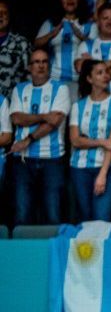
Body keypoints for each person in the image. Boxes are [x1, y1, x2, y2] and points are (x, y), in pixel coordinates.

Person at [8, 47, 71, 225]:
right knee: (22, 213)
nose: (41, 65)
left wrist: (28, 139)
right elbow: (16, 118)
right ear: (29, 67)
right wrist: (44, 116)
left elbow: (55, 121)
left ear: (49, 66)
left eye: (44, 62)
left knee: (52, 213)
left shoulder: (60, 89)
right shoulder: (20, 89)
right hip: (23, 160)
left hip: (52, 158)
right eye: (36, 62)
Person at [69, 59, 111, 223]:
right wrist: (102, 142)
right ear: (89, 78)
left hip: (107, 168)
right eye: (100, 73)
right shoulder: (78, 106)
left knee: (101, 218)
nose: (106, 76)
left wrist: (102, 175)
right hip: (79, 168)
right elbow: (75, 140)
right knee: (84, 218)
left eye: (107, 72)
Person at [34, 0, 92, 85]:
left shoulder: (88, 24)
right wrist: (51, 34)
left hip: (79, 80)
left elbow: (96, 48)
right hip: (54, 79)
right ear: (60, 0)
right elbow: (36, 44)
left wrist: (81, 37)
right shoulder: (51, 23)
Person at [0, 0, 31, 102]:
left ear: (9, 16)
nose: (0, 16)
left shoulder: (22, 43)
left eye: (4, 13)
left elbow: (29, 76)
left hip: (11, 102)